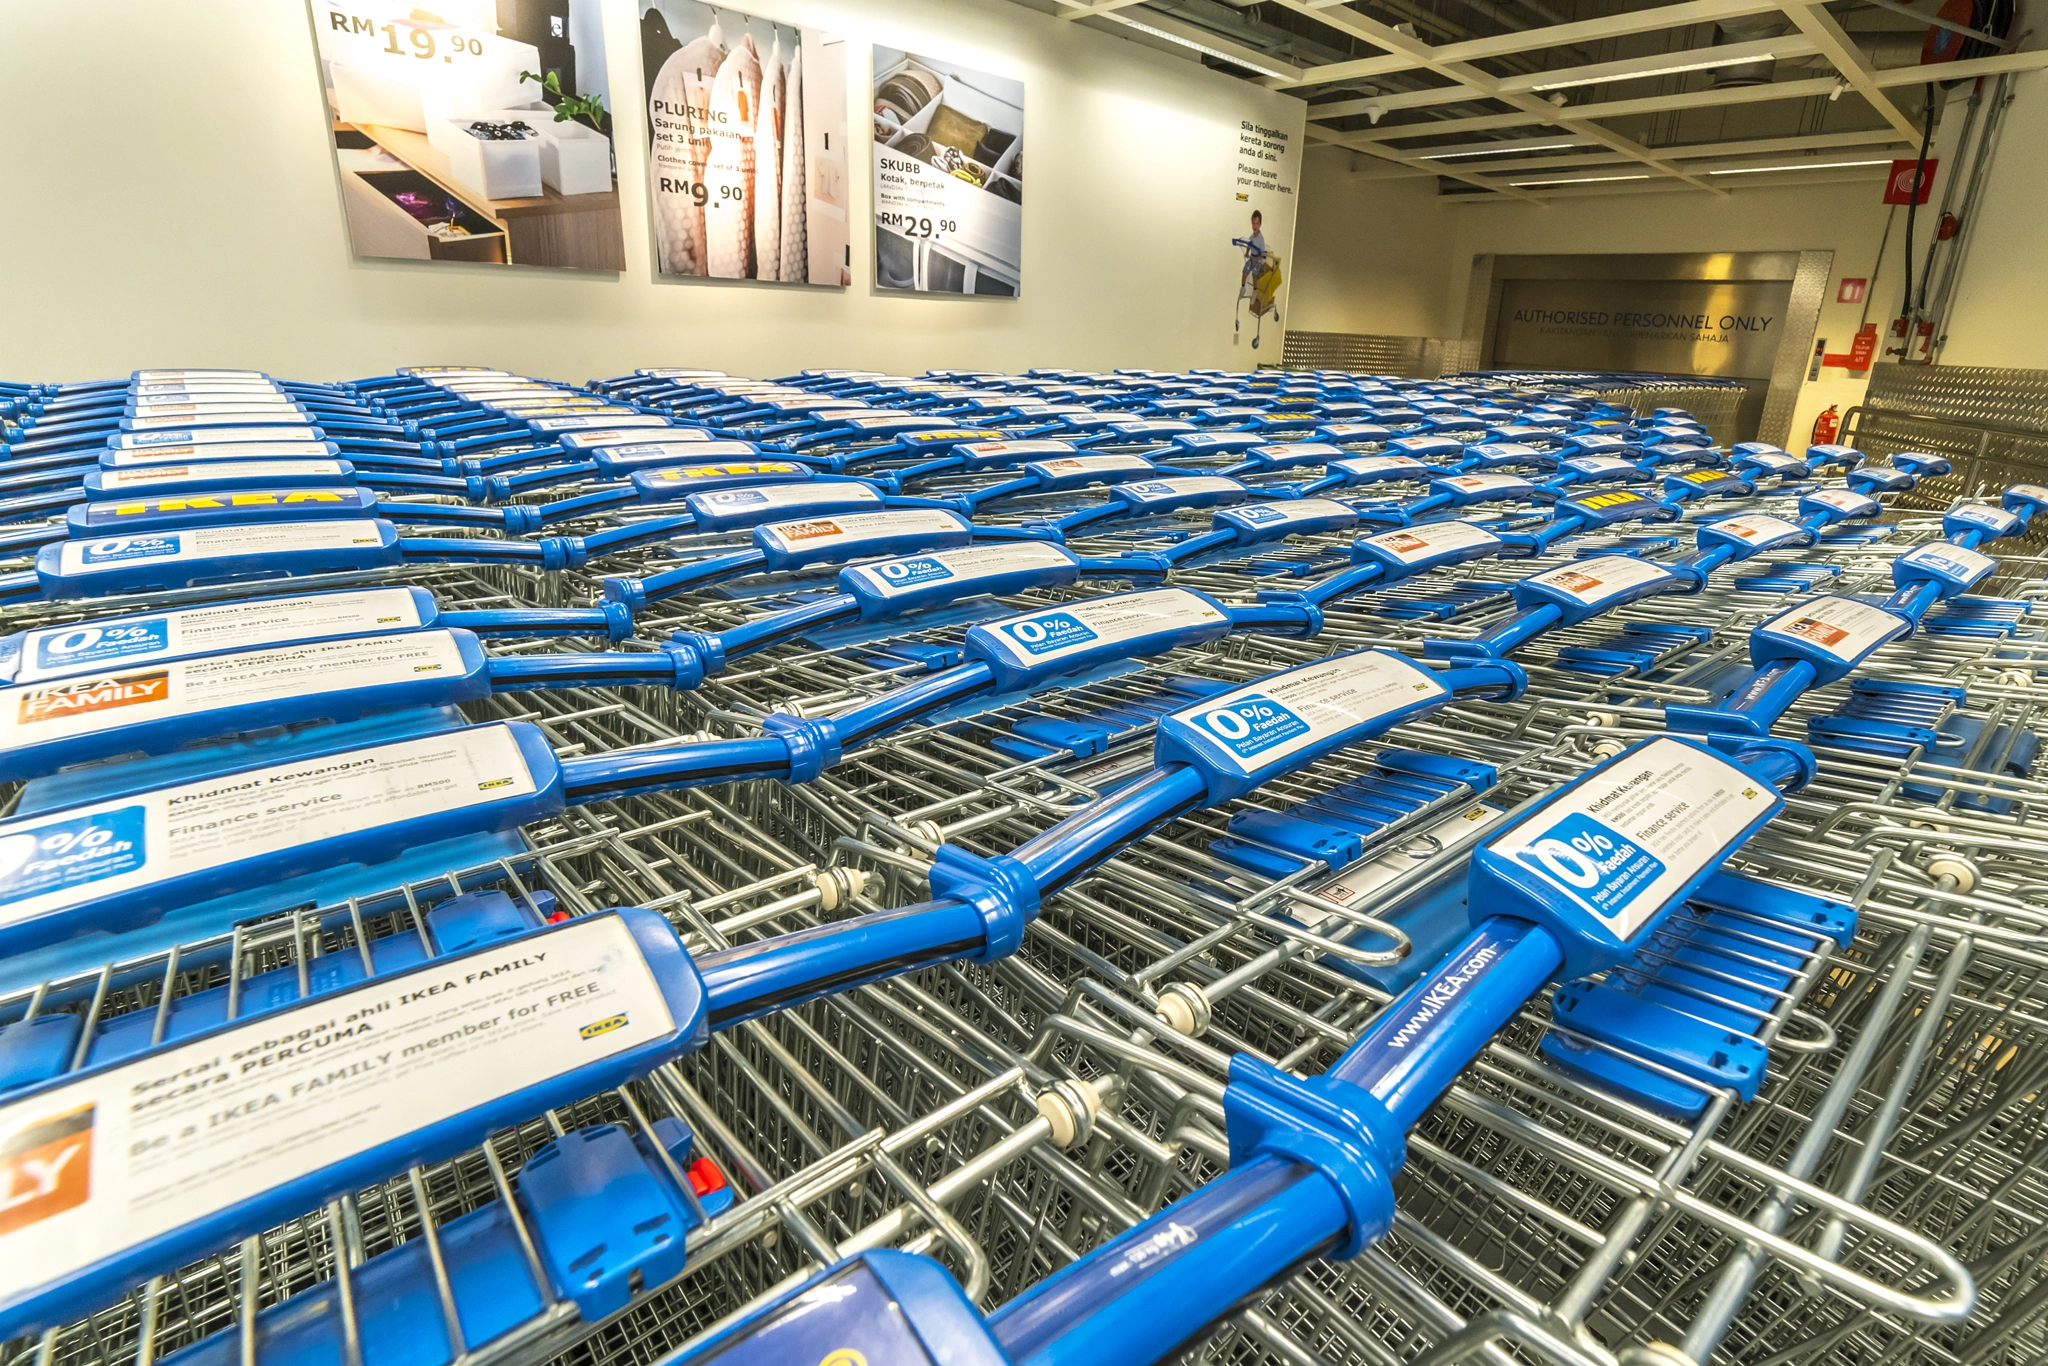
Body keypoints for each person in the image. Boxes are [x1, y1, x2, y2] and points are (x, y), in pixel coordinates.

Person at [1241, 210, 1267, 288]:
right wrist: (1247, 252)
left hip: (1258, 261)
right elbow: (1249, 245)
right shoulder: (1251, 237)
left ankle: (1254, 291)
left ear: (1260, 225)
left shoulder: (1261, 238)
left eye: (1257, 223)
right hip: (1252, 258)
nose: (1255, 226)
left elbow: (1264, 254)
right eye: (1253, 223)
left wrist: (1257, 258)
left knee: (1254, 273)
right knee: (1244, 271)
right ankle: (1242, 288)